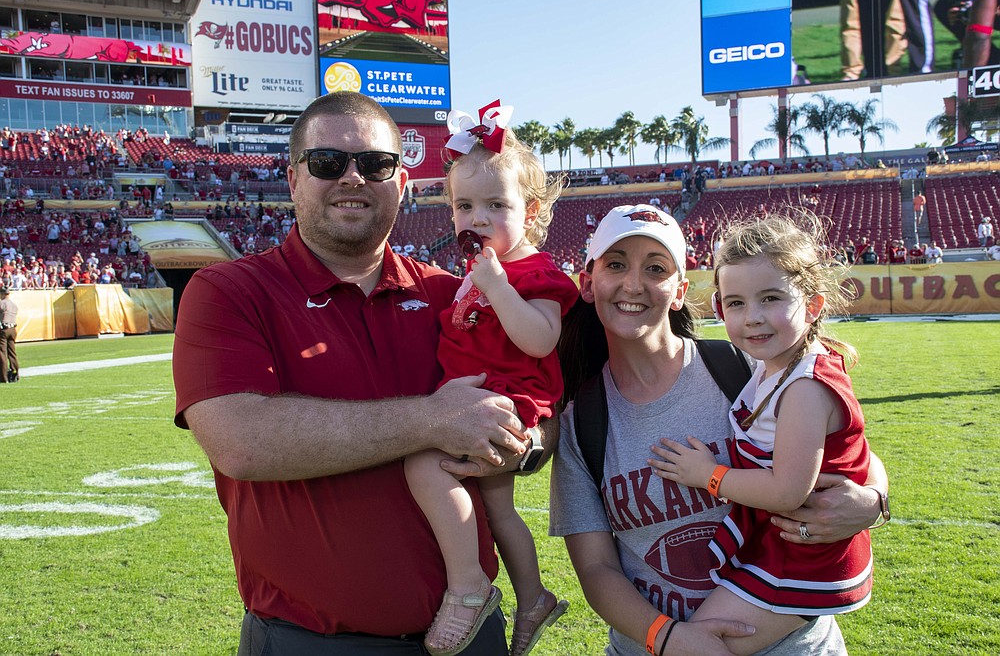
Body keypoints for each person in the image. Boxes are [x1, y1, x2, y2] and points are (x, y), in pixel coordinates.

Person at [172, 91, 542, 655]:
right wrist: (430, 420)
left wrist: (528, 440)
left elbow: (539, 401)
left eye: (375, 164)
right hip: (311, 641)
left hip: (469, 636)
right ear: (294, 179)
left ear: (403, 185)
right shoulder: (228, 292)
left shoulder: (455, 294)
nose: (353, 178)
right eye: (327, 163)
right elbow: (240, 441)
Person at [549, 204, 889, 656]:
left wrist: (874, 500)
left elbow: (848, 449)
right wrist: (667, 638)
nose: (634, 284)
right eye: (616, 265)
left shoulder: (748, 366)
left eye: (655, 268)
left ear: (679, 291)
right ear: (588, 283)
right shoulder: (583, 420)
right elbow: (596, 569)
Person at [650, 215, 875, 654]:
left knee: (705, 643)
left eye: (770, 298)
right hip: (780, 546)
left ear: (812, 305)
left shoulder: (806, 386)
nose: (752, 318)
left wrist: (707, 475)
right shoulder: (773, 366)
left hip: (801, 559)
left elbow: (788, 491)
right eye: (735, 303)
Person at [405, 115, 577, 656]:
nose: (477, 219)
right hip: (477, 397)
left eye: (496, 206)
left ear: (532, 211)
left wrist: (498, 289)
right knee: (498, 512)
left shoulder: (535, 273)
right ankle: (533, 597)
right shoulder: (476, 273)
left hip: (512, 397)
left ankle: (468, 587)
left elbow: (540, 339)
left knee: (422, 464)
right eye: (464, 207)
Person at [0, 285, 18, 383]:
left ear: (2, 294)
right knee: (12, 353)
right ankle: (15, 374)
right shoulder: (14, 305)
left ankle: (3, 377)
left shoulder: (2, 303)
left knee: (2, 353)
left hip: (4, 329)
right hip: (13, 329)